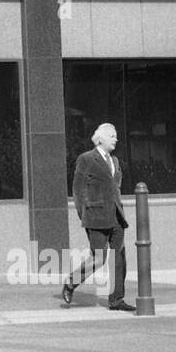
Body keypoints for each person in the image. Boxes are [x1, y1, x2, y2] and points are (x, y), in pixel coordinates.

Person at [62, 123, 135, 311]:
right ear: (100, 138)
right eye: (112, 135)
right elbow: (78, 190)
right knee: (99, 259)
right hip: (95, 217)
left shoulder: (115, 161)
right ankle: (71, 283)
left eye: (116, 135)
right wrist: (84, 214)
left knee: (119, 257)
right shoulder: (86, 159)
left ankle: (117, 299)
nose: (116, 139)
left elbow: (115, 187)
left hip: (116, 217)